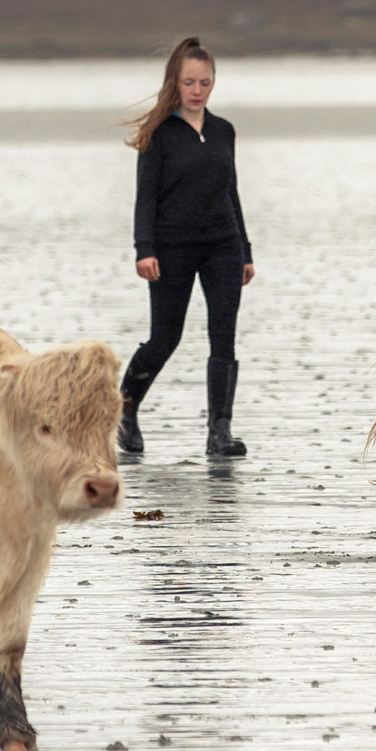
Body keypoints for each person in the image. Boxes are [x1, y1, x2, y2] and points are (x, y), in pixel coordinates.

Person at [119, 36, 255, 458]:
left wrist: (246, 251)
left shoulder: (223, 131)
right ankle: (124, 411)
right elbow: (146, 198)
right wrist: (145, 249)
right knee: (165, 338)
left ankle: (220, 433)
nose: (197, 90)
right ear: (175, 83)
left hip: (223, 245)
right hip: (171, 249)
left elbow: (231, 192)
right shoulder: (158, 135)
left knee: (224, 338)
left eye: (205, 83)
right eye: (190, 82)